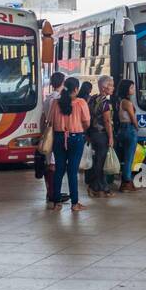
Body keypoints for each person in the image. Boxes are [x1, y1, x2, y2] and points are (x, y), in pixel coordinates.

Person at [47, 76, 90, 212]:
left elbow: (50, 121)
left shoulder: (55, 102)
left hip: (59, 138)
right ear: (76, 89)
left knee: (59, 170)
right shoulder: (81, 102)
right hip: (76, 138)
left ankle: (56, 203)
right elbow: (87, 122)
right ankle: (75, 203)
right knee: (72, 171)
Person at [85, 76, 115, 198]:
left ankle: (99, 187)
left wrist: (87, 133)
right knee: (100, 162)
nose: (113, 88)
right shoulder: (105, 104)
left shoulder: (91, 99)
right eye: (111, 85)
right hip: (102, 134)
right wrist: (111, 137)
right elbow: (107, 121)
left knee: (97, 161)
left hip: (92, 134)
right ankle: (97, 187)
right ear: (104, 87)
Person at [38, 71, 66, 201]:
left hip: (47, 133)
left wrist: (43, 134)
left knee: (49, 162)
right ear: (63, 83)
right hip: (56, 132)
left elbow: (43, 117)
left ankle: (50, 192)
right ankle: (54, 193)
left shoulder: (47, 98)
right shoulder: (58, 99)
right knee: (54, 164)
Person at [114, 79, 139, 193]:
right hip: (129, 128)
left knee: (124, 158)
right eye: (132, 88)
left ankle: (125, 181)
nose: (133, 89)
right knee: (129, 158)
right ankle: (126, 182)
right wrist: (137, 127)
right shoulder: (127, 103)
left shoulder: (119, 101)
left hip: (121, 129)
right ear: (126, 90)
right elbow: (133, 118)